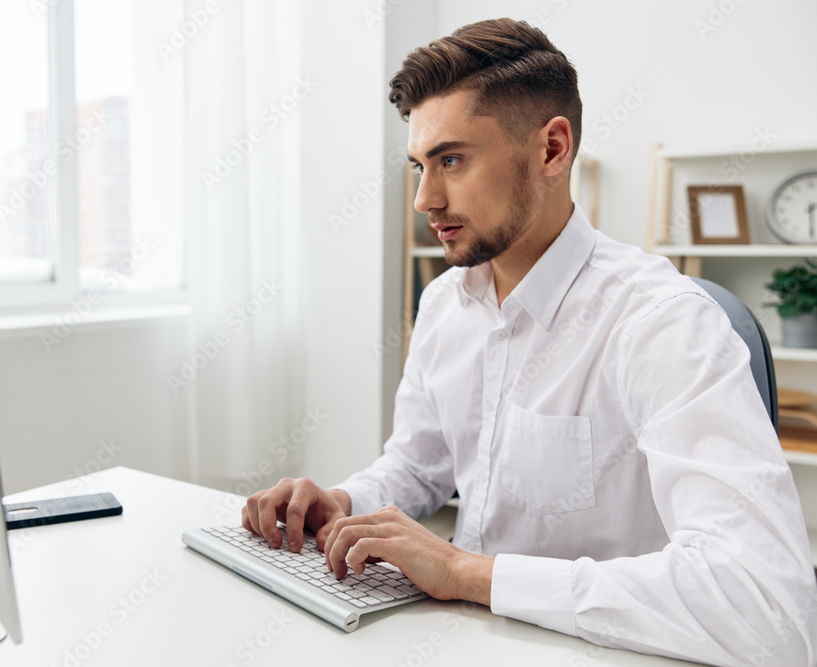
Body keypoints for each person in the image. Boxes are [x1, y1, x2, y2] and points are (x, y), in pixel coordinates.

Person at [242, 18, 817, 667]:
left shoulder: (664, 323)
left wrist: (468, 573)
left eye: (452, 159)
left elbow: (769, 609)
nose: (425, 199)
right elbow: (418, 465)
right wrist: (344, 503)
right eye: (418, 166)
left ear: (551, 149)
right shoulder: (443, 304)